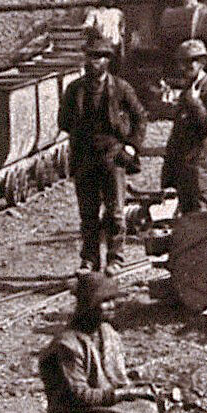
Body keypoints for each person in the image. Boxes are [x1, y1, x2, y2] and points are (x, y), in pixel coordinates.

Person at [38, 269, 154, 413]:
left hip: (100, 408)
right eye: (104, 301)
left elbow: (116, 376)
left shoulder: (107, 333)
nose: (112, 306)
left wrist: (136, 389)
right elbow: (78, 396)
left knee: (148, 409)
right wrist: (122, 395)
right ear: (88, 304)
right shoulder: (67, 346)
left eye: (113, 300)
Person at [60, 32, 147, 271]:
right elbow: (64, 121)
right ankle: (89, 259)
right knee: (88, 214)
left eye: (98, 58)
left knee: (116, 213)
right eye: (90, 57)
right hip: (85, 157)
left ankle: (115, 258)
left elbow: (140, 117)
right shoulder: (74, 90)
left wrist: (131, 145)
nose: (92, 62)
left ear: (107, 61)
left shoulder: (120, 88)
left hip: (113, 156)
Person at [158, 39, 207, 215]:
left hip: (199, 169)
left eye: (191, 61)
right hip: (182, 168)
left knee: (203, 219)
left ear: (202, 62)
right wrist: (169, 170)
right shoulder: (188, 89)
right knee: (185, 220)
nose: (185, 66)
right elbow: (178, 132)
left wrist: (195, 104)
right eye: (182, 62)